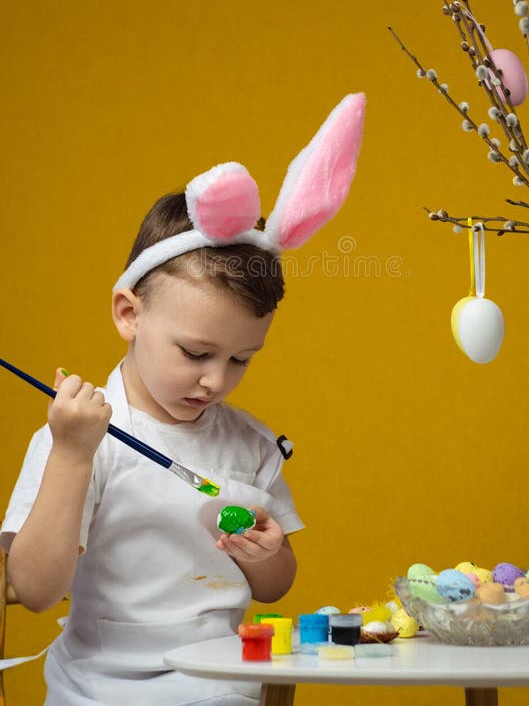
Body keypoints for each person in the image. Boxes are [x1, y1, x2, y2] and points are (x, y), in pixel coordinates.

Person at [0, 92, 366, 705]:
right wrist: (70, 456)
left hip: (222, 689)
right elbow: (33, 590)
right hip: (98, 692)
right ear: (129, 313)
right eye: (196, 354)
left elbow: (276, 588)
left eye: (240, 360)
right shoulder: (76, 436)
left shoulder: (249, 446)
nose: (215, 381)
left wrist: (266, 554)